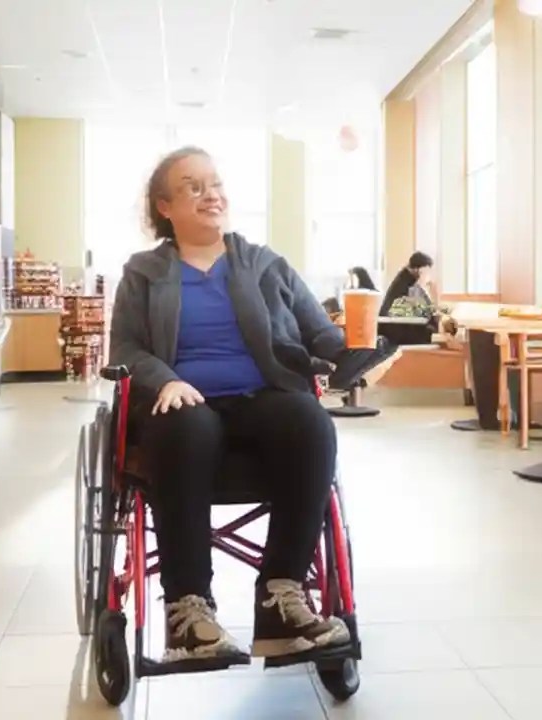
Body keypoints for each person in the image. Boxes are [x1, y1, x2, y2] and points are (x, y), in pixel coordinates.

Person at [109, 146, 352, 666]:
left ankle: (281, 600)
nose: (210, 194)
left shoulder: (264, 264)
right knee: (188, 425)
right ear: (164, 207)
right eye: (192, 186)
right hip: (183, 403)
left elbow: (319, 331)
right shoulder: (143, 272)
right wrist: (166, 379)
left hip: (261, 398)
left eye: (214, 184)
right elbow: (125, 349)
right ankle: (189, 610)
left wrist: (355, 358)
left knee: (308, 420)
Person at [379, 251, 433, 316]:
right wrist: (421, 283)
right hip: (393, 320)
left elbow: (428, 307)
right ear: (417, 269)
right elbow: (416, 305)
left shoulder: (410, 277)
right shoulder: (403, 281)